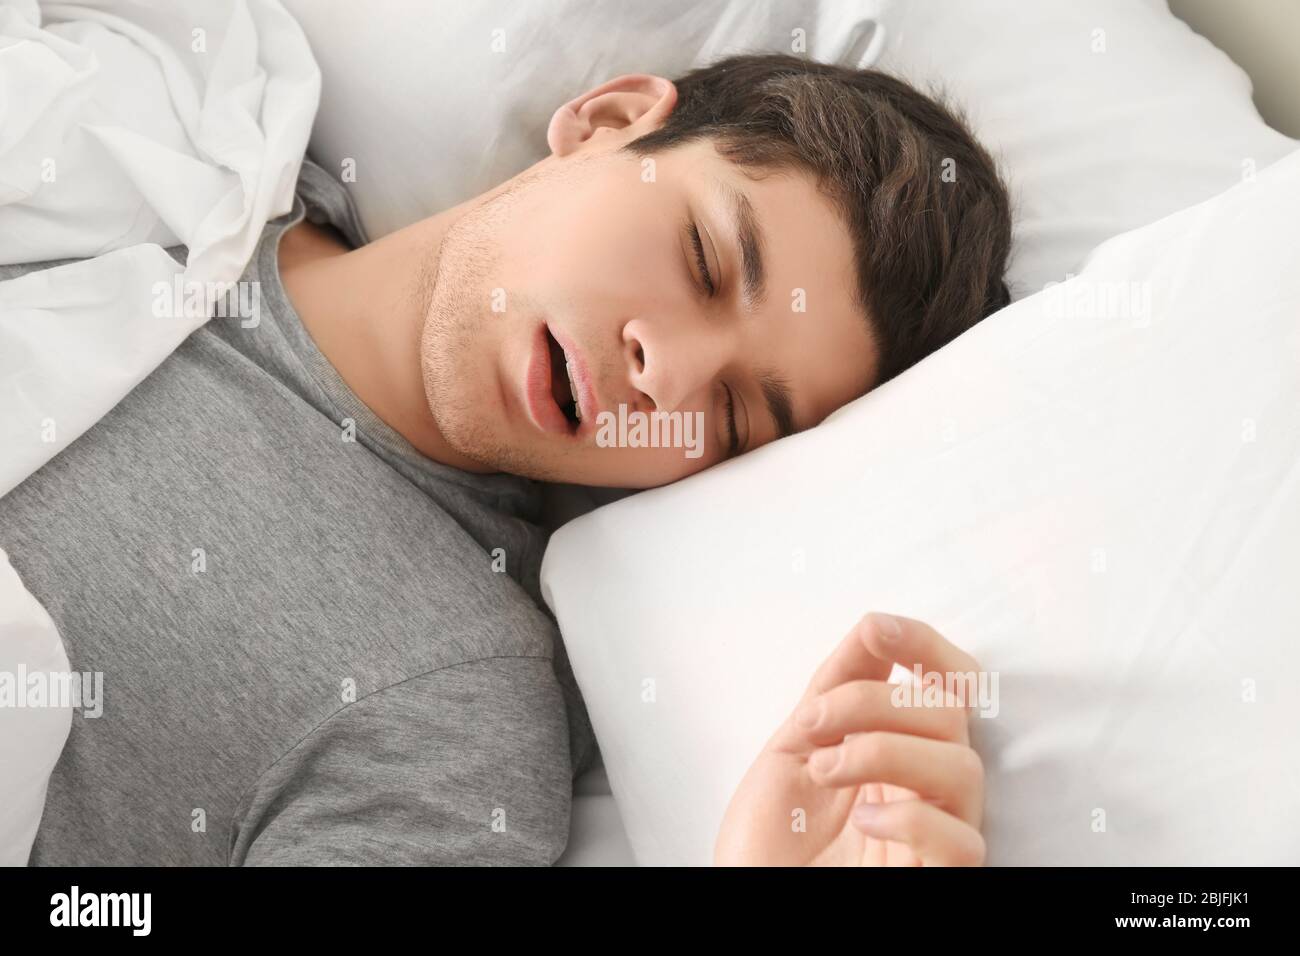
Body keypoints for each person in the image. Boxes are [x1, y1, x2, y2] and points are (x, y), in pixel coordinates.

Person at [0, 53, 1011, 865]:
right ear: (608, 122)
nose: (667, 373)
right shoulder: (160, 125)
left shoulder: (453, 714)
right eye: (703, 260)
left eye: (736, 415)